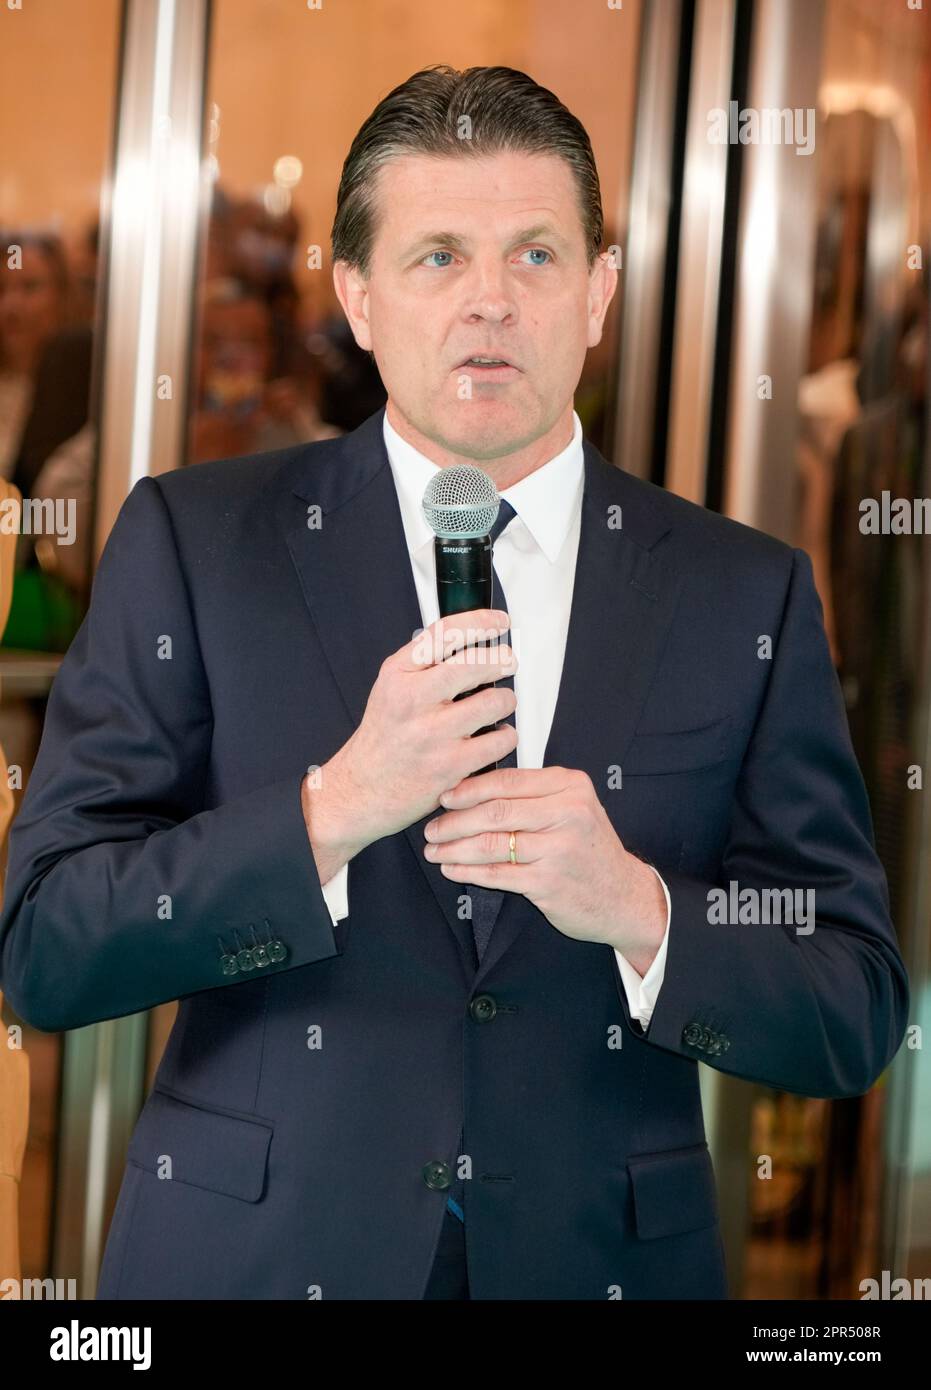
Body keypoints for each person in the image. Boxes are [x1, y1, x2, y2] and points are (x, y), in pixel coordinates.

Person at [0, 65, 909, 1301]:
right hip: (252, 1264)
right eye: (437, 257)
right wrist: (331, 811)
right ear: (358, 297)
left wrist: (642, 908)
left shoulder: (742, 593)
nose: (489, 302)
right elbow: (49, 942)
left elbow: (851, 998)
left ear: (599, 291)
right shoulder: (198, 544)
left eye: (535, 256)